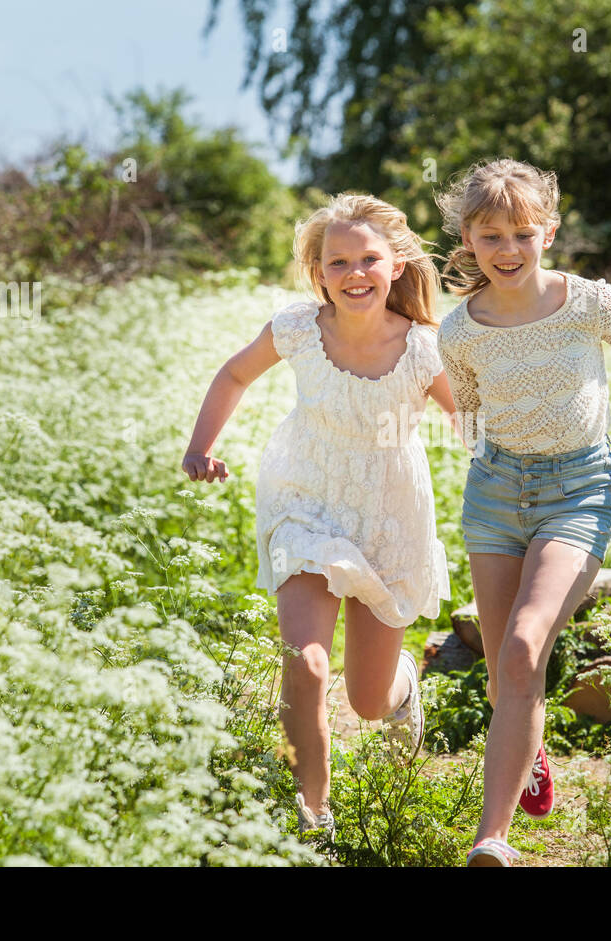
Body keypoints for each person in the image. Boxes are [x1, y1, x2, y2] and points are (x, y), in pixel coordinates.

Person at [435, 158, 611, 866]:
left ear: (547, 232)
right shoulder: (458, 330)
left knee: (524, 647)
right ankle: (533, 744)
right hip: (494, 493)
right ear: (468, 237)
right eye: (491, 236)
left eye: (523, 233)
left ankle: (491, 839)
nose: (508, 250)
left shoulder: (589, 301)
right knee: (503, 673)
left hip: (579, 488)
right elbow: (467, 417)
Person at [181, 192, 458, 841]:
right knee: (305, 664)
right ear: (318, 272)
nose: (354, 273)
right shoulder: (299, 327)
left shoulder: (422, 347)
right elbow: (233, 375)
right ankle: (314, 816)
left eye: (368, 259)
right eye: (338, 262)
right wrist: (200, 448)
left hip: (388, 514)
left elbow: (469, 423)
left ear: (395, 266)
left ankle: (403, 687)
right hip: (301, 496)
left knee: (367, 699)